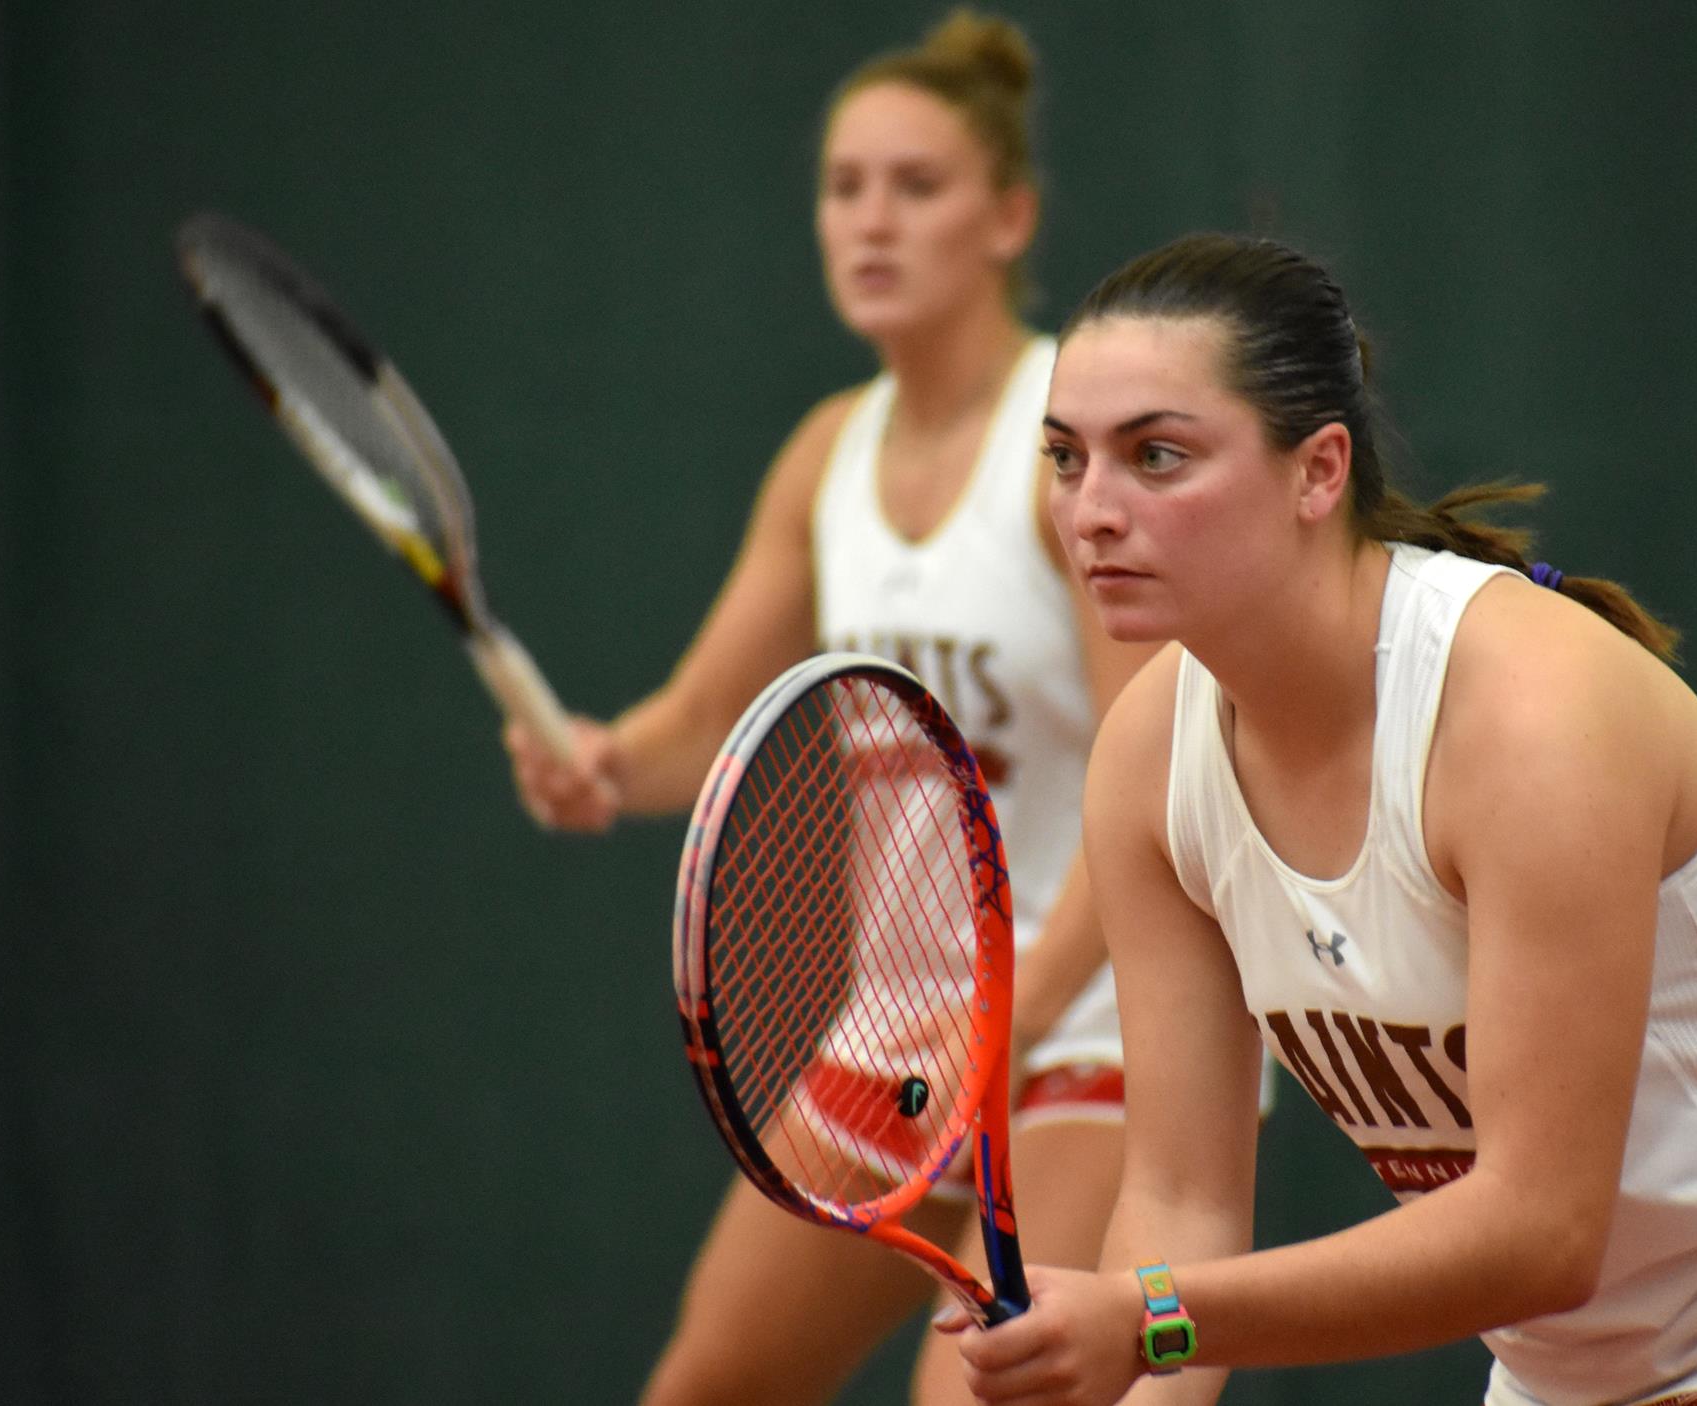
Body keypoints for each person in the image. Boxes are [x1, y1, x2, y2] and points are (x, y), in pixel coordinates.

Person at [950, 233, 1697, 1406]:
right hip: (1572, 1358)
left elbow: (1539, 1229)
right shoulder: (1148, 760)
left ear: (1318, 471)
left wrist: (1148, 1320)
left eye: (1157, 456)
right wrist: (1143, 1335)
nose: (1092, 509)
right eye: (1065, 457)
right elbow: (1180, 1204)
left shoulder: (1531, 713)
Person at [504, 13, 1162, 1404]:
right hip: (905, 1036)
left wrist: (1015, 1017)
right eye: (844, 186)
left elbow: (1150, 781)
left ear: (1008, 217)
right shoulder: (826, 456)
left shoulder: (1064, 447)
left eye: (916, 186)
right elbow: (700, 720)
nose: (871, 220)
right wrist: (601, 761)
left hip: (1091, 1029)